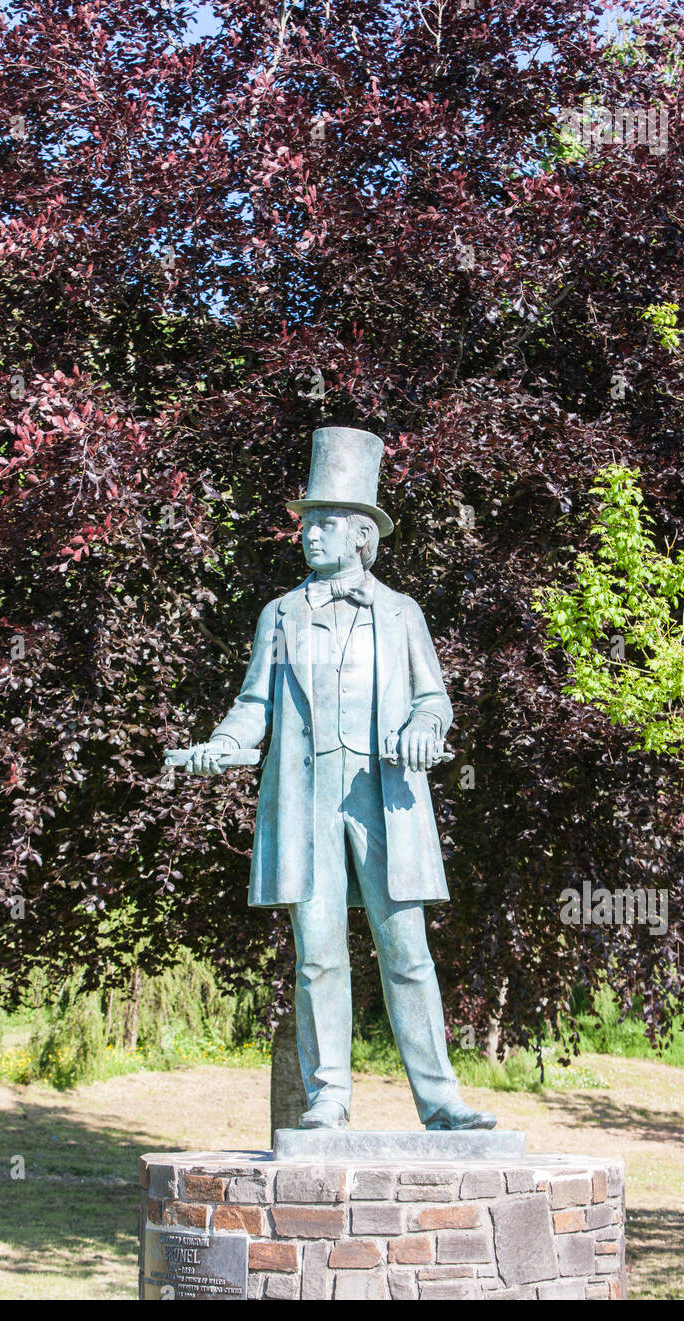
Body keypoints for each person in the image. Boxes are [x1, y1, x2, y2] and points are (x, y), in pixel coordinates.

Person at [185, 426, 496, 1132]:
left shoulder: (400, 612)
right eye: (307, 525)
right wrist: (220, 745)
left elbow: (433, 699)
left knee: (408, 953)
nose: (310, 537)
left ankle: (442, 1102)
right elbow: (252, 705)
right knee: (318, 958)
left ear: (362, 536)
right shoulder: (279, 616)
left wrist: (426, 728)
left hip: (386, 800)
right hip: (304, 803)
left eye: (325, 525)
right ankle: (329, 1097)